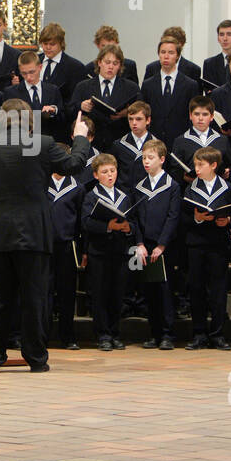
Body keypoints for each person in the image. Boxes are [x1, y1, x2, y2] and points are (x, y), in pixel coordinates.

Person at [0, 100, 93, 371]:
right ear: (29, 120)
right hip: (34, 232)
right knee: (34, 297)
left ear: (1, 119)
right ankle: (36, 359)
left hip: (0, 231)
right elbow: (75, 165)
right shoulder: (43, 143)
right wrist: (80, 137)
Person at [81, 153, 137, 353]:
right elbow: (86, 223)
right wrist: (108, 226)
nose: (110, 175)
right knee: (100, 293)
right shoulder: (91, 196)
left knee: (117, 293)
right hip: (99, 252)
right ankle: (103, 334)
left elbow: (133, 221)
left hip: (120, 251)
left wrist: (127, 228)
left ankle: (115, 332)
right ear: (96, 175)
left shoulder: (124, 196)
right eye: (105, 172)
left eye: (112, 171)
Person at [182, 147, 231, 350]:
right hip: (196, 244)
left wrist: (228, 220)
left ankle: (218, 334)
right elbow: (184, 215)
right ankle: (199, 334)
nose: (196, 169)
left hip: (218, 244)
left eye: (201, 165)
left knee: (218, 290)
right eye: (195, 165)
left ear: (213, 165)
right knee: (196, 289)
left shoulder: (227, 188)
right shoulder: (190, 188)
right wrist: (196, 217)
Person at [131, 140, 180, 349]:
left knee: (165, 291)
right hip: (146, 246)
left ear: (162, 159)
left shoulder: (172, 186)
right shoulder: (140, 187)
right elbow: (135, 218)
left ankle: (168, 334)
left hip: (164, 247)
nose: (146, 162)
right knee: (149, 291)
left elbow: (173, 217)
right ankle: (155, 332)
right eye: (143, 158)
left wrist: (162, 245)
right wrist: (140, 242)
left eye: (150, 158)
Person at [69, 44, 139, 151]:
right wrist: (81, 106)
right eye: (107, 62)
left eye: (115, 63)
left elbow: (142, 111)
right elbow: (69, 111)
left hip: (121, 142)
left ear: (120, 66)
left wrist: (127, 112)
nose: (110, 66)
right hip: (91, 143)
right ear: (99, 62)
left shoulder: (131, 88)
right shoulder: (83, 86)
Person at [47, 169, 85, 351]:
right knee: (43, 293)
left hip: (67, 246)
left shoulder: (77, 188)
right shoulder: (41, 184)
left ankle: (67, 336)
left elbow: (81, 221)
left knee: (67, 293)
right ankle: (41, 336)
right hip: (44, 246)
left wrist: (82, 248)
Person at [140, 37, 200, 148]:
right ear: (158, 54)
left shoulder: (190, 85)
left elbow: (193, 114)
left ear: (177, 56)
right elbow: (144, 112)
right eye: (163, 52)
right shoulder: (148, 84)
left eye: (171, 52)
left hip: (181, 142)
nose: (166, 56)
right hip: (154, 142)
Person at [4, 49, 65, 143]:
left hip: (47, 143)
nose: (28, 77)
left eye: (32, 72)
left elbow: (62, 117)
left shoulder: (53, 90)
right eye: (24, 73)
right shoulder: (11, 93)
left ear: (40, 67)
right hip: (21, 144)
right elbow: (6, 123)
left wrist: (53, 111)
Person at [170, 96, 231, 184]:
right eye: (196, 114)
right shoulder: (180, 141)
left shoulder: (222, 140)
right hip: (191, 191)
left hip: (218, 189)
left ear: (212, 117)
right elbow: (174, 170)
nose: (200, 118)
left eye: (205, 114)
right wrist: (184, 178)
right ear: (190, 116)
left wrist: (228, 172)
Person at [36, 22, 88, 102]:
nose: (48, 47)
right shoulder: (35, 61)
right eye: (45, 44)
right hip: (34, 112)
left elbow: (75, 100)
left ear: (61, 43)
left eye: (52, 44)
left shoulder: (75, 67)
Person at [111, 101, 155, 193]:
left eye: (138, 119)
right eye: (131, 119)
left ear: (148, 120)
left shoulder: (157, 145)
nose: (134, 123)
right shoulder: (118, 145)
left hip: (149, 195)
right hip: (124, 196)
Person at [200, 20, 231, 89]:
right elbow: (208, 91)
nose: (225, 38)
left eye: (229, 34)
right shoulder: (209, 64)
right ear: (218, 39)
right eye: (221, 35)